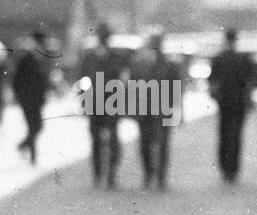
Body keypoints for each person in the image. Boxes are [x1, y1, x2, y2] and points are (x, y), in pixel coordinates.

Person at [77, 23, 125, 188]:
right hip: (94, 103)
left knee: (112, 141)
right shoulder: (89, 57)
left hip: (112, 103)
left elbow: (122, 80)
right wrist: (84, 102)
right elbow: (83, 81)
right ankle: (98, 175)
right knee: (96, 140)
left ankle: (111, 174)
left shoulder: (117, 56)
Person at [130, 33, 180, 189]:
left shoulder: (169, 65)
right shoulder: (139, 63)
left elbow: (175, 90)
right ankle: (148, 174)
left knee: (163, 143)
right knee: (145, 143)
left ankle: (160, 177)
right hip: (144, 110)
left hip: (163, 109)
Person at [208, 29, 253, 182]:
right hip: (239, 102)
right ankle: (233, 168)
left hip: (224, 102)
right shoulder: (243, 58)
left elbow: (212, 82)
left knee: (224, 134)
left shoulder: (218, 58)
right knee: (237, 135)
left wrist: (215, 96)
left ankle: (224, 167)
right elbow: (248, 82)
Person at [11, 31, 50, 165]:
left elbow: (43, 80)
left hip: (37, 100)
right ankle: (33, 156)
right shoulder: (25, 59)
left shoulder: (42, 59)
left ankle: (25, 146)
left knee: (37, 126)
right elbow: (16, 80)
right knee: (34, 126)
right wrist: (20, 96)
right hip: (27, 99)